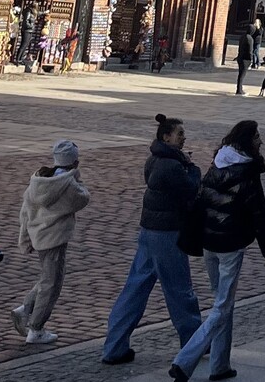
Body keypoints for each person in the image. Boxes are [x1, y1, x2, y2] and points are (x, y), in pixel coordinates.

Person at [170, 119, 265, 382]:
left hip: (209, 243)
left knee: (222, 303)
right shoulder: (248, 172)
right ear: (247, 141)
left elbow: (200, 200)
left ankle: (220, 365)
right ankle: (184, 361)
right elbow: (258, 213)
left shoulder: (219, 162)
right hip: (229, 246)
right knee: (222, 307)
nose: (260, 141)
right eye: (257, 137)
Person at [101, 115, 203, 364]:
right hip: (168, 233)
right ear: (166, 137)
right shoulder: (172, 165)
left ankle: (114, 346)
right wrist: (192, 167)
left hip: (149, 231)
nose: (183, 137)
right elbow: (192, 188)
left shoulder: (155, 159)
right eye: (179, 133)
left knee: (135, 288)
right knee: (180, 290)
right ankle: (194, 343)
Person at [12, 138, 90, 346]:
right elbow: (83, 199)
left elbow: (25, 211)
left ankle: (26, 308)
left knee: (49, 277)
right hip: (54, 238)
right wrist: (76, 175)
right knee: (52, 283)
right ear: (74, 163)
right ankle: (36, 328)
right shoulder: (69, 185)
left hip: (39, 235)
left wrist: (25, 237)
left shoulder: (39, 180)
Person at [234, 28, 252, 97]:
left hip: (240, 57)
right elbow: (250, 51)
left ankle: (239, 89)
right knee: (242, 75)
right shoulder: (250, 38)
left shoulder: (242, 37)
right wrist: (251, 59)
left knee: (240, 75)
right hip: (246, 59)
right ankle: (239, 90)